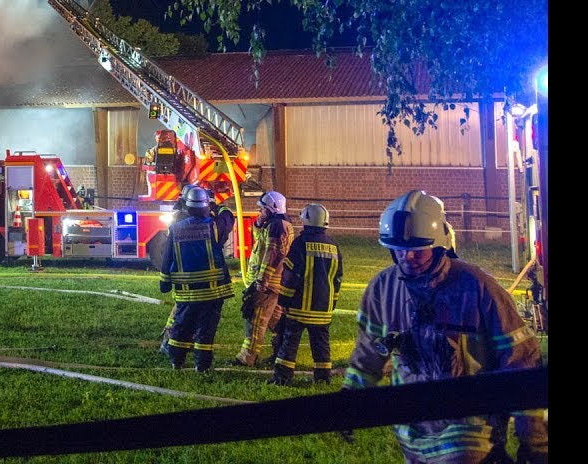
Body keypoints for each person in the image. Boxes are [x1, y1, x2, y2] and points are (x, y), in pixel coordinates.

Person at [341, 190, 548, 463]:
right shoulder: (382, 289)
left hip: (471, 436)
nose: (407, 258)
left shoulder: (477, 288)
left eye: (417, 250)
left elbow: (521, 363)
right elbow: (368, 357)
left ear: (440, 244)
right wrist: (349, 405)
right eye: (399, 250)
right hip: (413, 436)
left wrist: (535, 443)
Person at [158, 185, 236, 372]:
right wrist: (218, 204)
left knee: (181, 327)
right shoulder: (214, 227)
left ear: (187, 206)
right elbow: (228, 217)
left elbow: (167, 257)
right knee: (205, 330)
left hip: (187, 294)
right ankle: (201, 365)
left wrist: (164, 282)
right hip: (212, 292)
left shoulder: (175, 230)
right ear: (205, 206)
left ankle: (176, 361)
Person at [268, 202, 342, 385]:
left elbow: (291, 274)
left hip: (299, 307)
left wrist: (284, 299)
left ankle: (282, 378)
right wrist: (332, 303)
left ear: (306, 220)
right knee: (321, 345)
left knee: (289, 342)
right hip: (323, 309)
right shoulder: (334, 246)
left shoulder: (300, 244)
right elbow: (337, 278)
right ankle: (323, 378)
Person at [232, 190, 292, 367]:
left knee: (255, 319)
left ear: (272, 208)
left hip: (267, 284)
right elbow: (263, 245)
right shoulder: (276, 224)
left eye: (262, 209)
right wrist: (258, 226)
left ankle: (247, 357)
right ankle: (282, 353)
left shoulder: (276, 226)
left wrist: (262, 280)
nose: (260, 212)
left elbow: (273, 254)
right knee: (277, 321)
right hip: (273, 283)